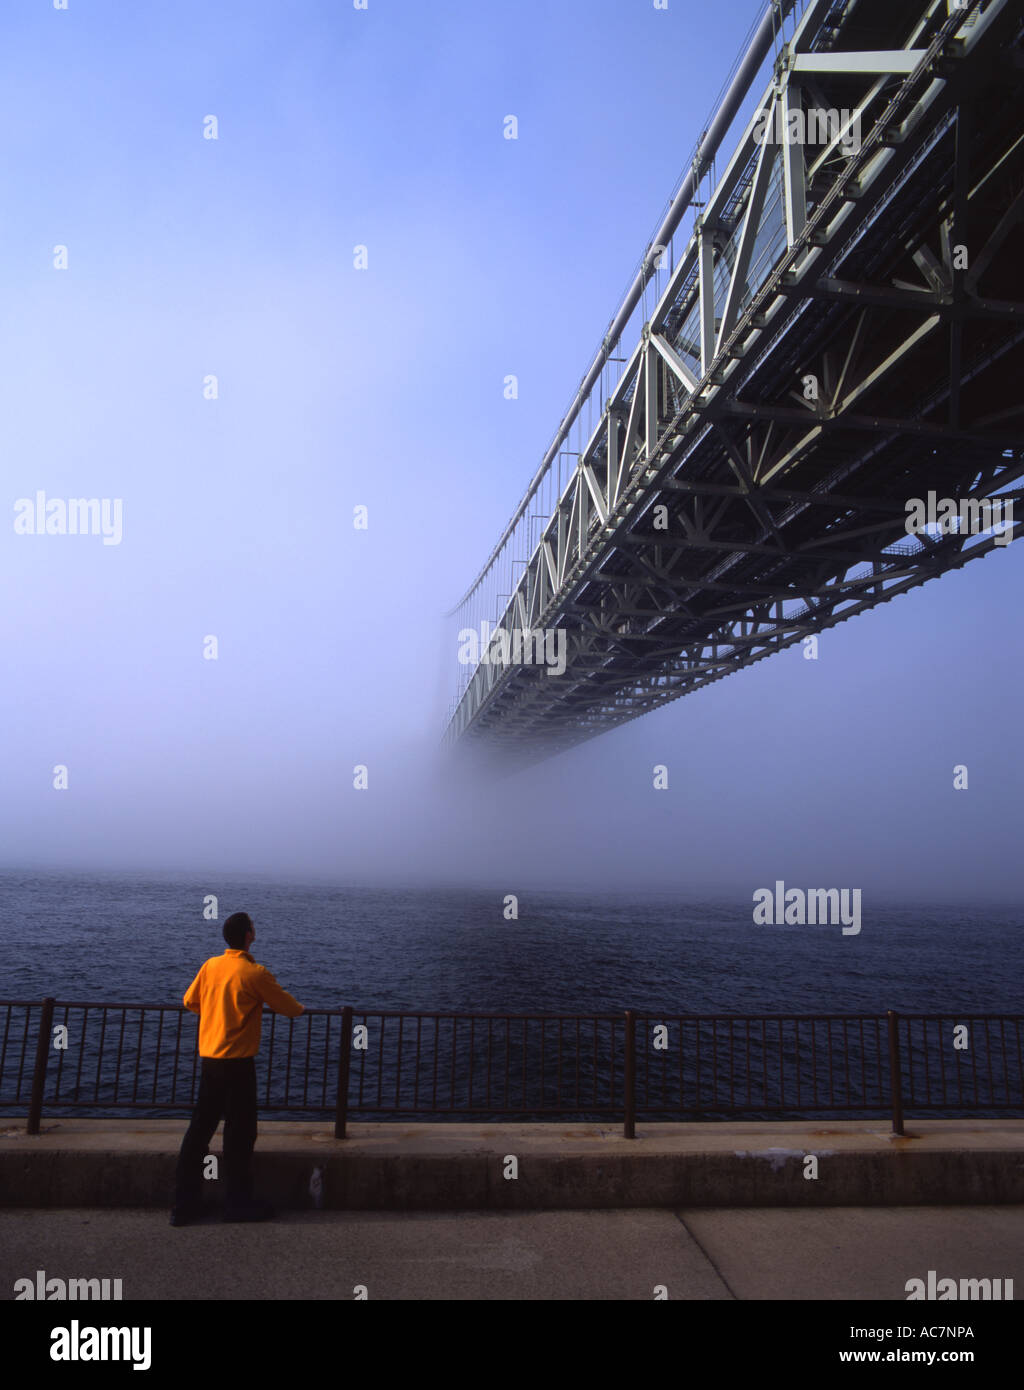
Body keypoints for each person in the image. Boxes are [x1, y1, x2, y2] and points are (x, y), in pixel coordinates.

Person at [171, 911, 304, 1224]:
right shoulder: (254, 973)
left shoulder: (210, 965)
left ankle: (184, 1204)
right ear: (248, 936)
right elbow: (289, 1008)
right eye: (253, 928)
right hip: (238, 1065)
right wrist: (300, 1008)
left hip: (210, 1061)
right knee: (240, 1134)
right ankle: (237, 1203)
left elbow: (190, 1001)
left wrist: (217, 1006)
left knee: (199, 1131)